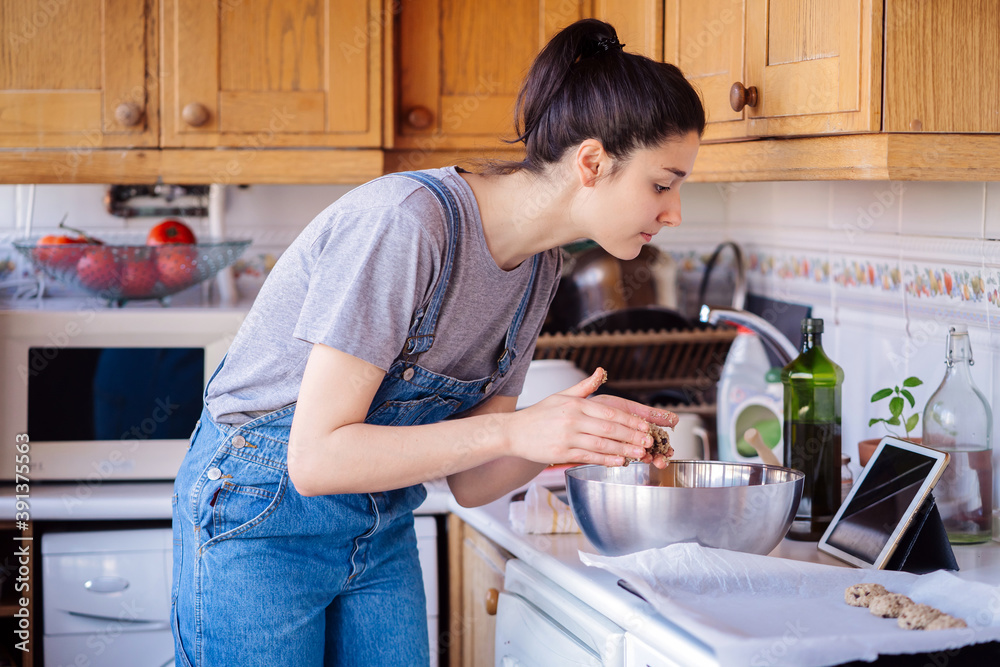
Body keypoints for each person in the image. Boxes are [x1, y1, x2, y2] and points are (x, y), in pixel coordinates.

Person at [171, 17, 704, 667]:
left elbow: (475, 481)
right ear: (591, 162)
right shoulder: (409, 225)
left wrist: (569, 436)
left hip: (378, 524)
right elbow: (315, 459)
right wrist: (517, 432)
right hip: (259, 514)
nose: (674, 211)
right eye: (663, 183)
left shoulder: (540, 267)